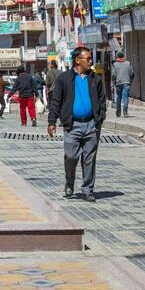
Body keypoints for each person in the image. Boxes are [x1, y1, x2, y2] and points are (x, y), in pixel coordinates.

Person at [47, 46, 105, 202]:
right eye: (88, 59)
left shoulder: (95, 78)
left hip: (91, 125)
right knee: (71, 156)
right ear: (78, 60)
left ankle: (88, 189)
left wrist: (100, 118)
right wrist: (52, 121)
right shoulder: (64, 79)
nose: (91, 61)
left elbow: (101, 100)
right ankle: (70, 181)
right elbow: (56, 101)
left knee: (89, 159)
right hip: (72, 125)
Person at [111, 52, 134, 118]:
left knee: (119, 98)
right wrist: (130, 81)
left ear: (117, 57)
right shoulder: (128, 63)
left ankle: (118, 112)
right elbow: (132, 74)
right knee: (125, 98)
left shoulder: (115, 65)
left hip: (118, 83)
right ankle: (125, 112)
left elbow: (113, 75)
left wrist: (113, 83)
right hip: (126, 83)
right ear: (123, 56)